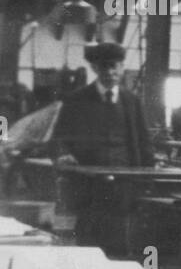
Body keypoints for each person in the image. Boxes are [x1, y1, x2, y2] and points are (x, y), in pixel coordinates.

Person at [51, 42, 156, 250]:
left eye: (114, 66)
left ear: (122, 68)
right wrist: (64, 155)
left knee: (119, 243)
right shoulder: (76, 101)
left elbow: (144, 143)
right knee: (87, 243)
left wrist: (148, 178)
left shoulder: (132, 102)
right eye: (104, 67)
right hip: (88, 187)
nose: (110, 72)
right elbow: (58, 139)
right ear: (95, 69)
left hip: (124, 185)